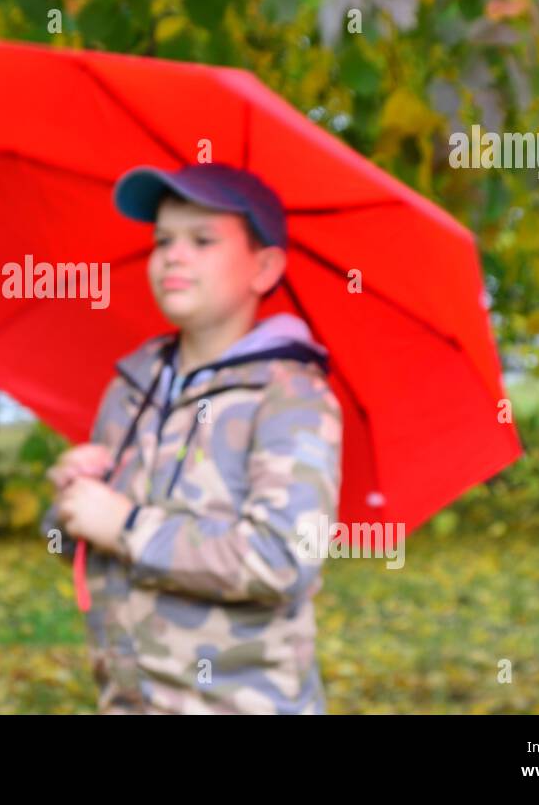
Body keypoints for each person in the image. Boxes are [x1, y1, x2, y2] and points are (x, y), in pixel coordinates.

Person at [40, 161, 344, 714]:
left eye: (202, 240)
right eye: (163, 241)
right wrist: (70, 505)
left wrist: (127, 525)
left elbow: (281, 559)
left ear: (265, 267)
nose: (173, 256)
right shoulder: (132, 388)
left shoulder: (290, 398)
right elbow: (77, 550)